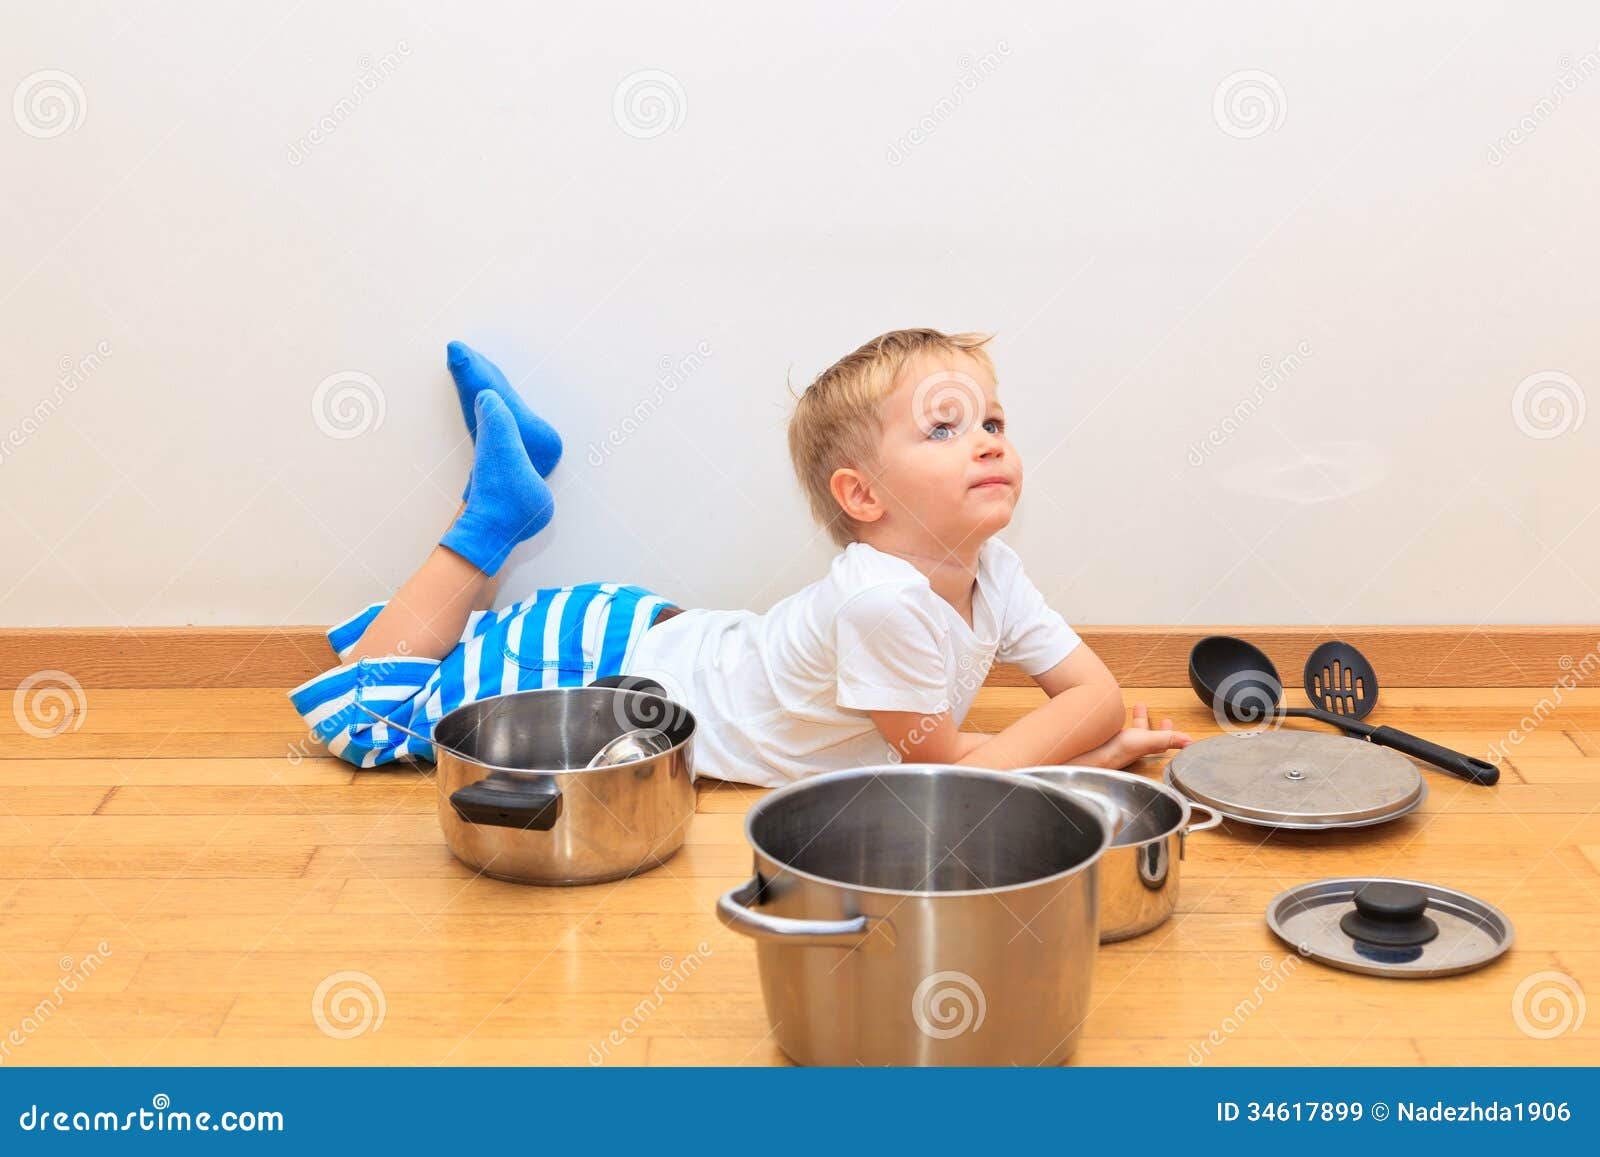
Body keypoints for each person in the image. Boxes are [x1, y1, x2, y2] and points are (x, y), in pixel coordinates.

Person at [288, 330, 1191, 784]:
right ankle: (493, 514)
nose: (990, 440)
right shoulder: (881, 600)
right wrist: (1088, 756)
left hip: (645, 642)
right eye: (946, 428)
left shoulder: (993, 571)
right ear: (862, 497)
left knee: (405, 660)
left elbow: (1094, 696)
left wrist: (1094, 735)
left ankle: (510, 483)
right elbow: (950, 777)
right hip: (600, 674)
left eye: (993, 420)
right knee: (368, 709)